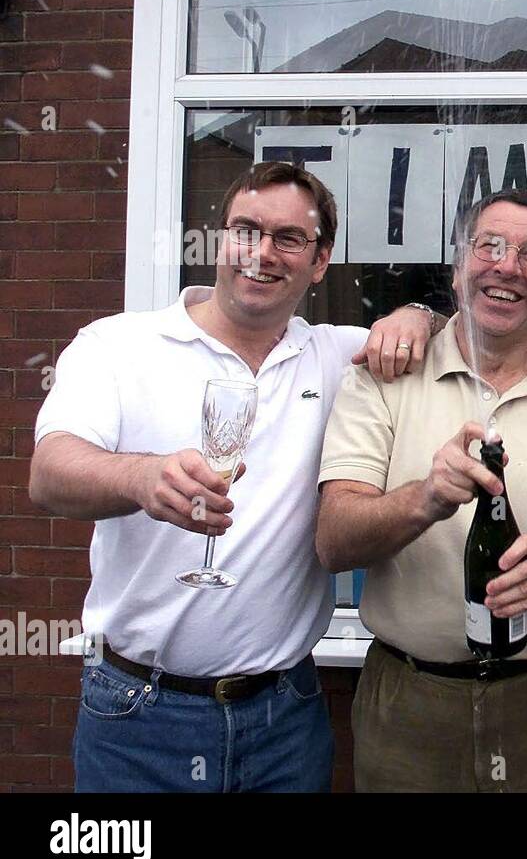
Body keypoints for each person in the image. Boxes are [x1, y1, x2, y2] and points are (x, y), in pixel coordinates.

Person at [28, 161, 435, 792]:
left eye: (289, 239)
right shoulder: (117, 346)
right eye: (246, 231)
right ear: (220, 240)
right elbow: (50, 473)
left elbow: (443, 340)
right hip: (136, 713)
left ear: (320, 261)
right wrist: (141, 478)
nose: (261, 254)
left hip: (285, 719)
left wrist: (415, 313)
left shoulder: (337, 357)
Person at [315, 189, 527, 793]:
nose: (506, 266)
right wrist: (425, 499)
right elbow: (334, 542)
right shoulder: (385, 372)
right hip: (411, 705)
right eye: (488, 246)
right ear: (458, 268)